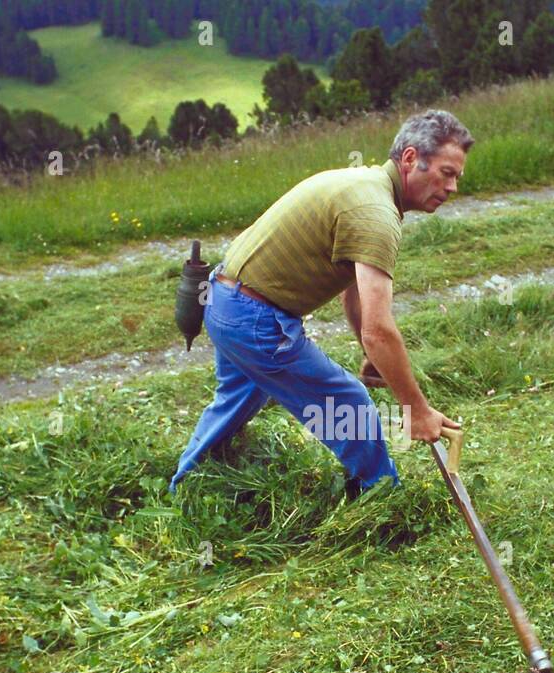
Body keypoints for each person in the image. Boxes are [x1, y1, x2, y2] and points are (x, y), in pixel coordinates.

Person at [169, 110, 474, 499]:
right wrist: (415, 410)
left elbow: (355, 293)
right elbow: (380, 329)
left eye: (458, 178)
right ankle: (382, 499)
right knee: (348, 403)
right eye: (447, 173)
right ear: (411, 159)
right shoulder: (376, 213)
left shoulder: (366, 186)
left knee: (238, 397)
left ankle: (186, 487)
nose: (452, 188)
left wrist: (372, 356)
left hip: (224, 302)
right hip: (254, 318)